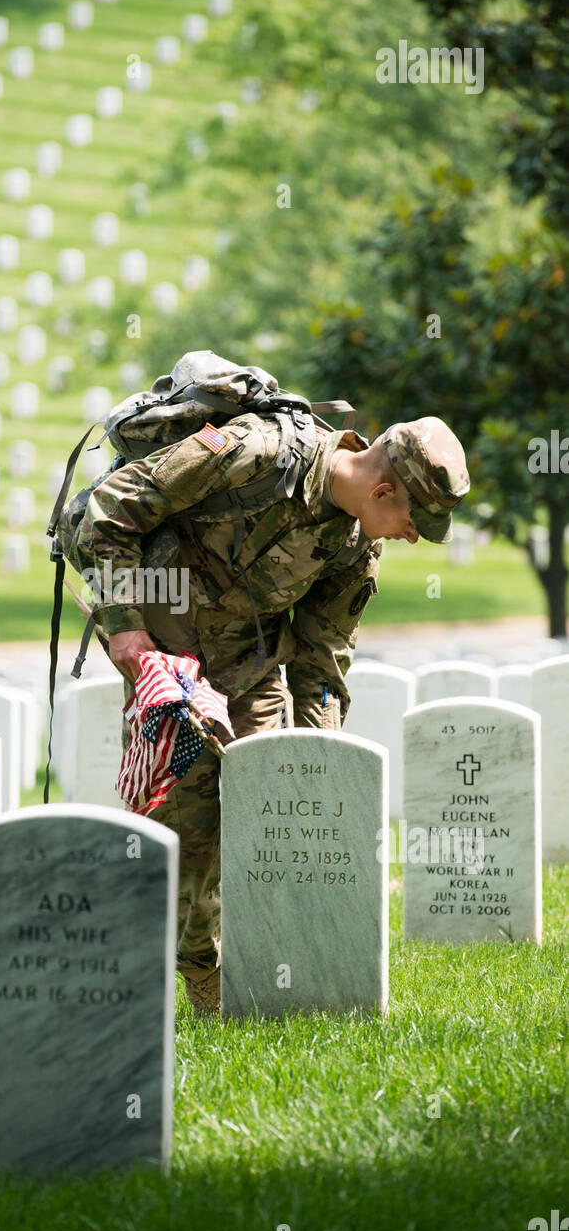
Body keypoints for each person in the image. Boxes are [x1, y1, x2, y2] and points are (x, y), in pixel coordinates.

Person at [72, 410, 470, 1015]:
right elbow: (111, 509)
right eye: (414, 522)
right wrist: (124, 628)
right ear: (384, 490)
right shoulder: (251, 454)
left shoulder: (355, 544)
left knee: (263, 812)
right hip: (167, 663)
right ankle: (188, 970)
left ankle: (248, 968)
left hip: (249, 670)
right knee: (185, 835)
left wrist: (321, 765)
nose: (411, 536)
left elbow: (321, 660)